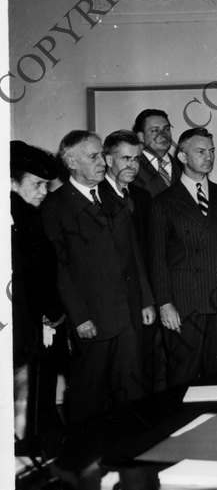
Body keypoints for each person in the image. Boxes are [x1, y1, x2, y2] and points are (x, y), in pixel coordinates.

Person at [41, 130, 155, 420]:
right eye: (93, 156)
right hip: (93, 319)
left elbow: (133, 255)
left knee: (133, 393)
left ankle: (129, 456)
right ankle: (86, 460)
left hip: (129, 314)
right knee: (88, 396)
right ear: (71, 162)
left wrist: (146, 300)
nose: (103, 162)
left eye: (102, 155)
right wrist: (79, 318)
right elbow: (59, 269)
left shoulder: (113, 197)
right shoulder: (55, 206)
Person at [148, 128, 217, 386]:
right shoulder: (163, 202)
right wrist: (164, 303)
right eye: (200, 151)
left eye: (211, 151)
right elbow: (157, 259)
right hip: (184, 304)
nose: (208, 157)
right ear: (182, 157)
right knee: (182, 376)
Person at [99, 130, 163, 393]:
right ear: (107, 159)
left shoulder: (142, 196)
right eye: (125, 158)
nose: (132, 165)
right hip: (111, 304)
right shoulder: (95, 195)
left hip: (144, 296)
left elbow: (148, 250)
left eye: (137, 159)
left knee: (144, 374)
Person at [11, 141, 65, 448]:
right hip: (27, 326)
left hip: (36, 323)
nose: (44, 191)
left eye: (46, 184)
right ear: (11, 181)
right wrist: (52, 312)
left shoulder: (27, 214)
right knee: (27, 402)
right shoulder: (16, 219)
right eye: (37, 184)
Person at [133, 109, 181, 197]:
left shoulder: (183, 167)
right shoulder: (132, 168)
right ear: (141, 137)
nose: (164, 135)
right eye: (155, 130)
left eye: (166, 129)